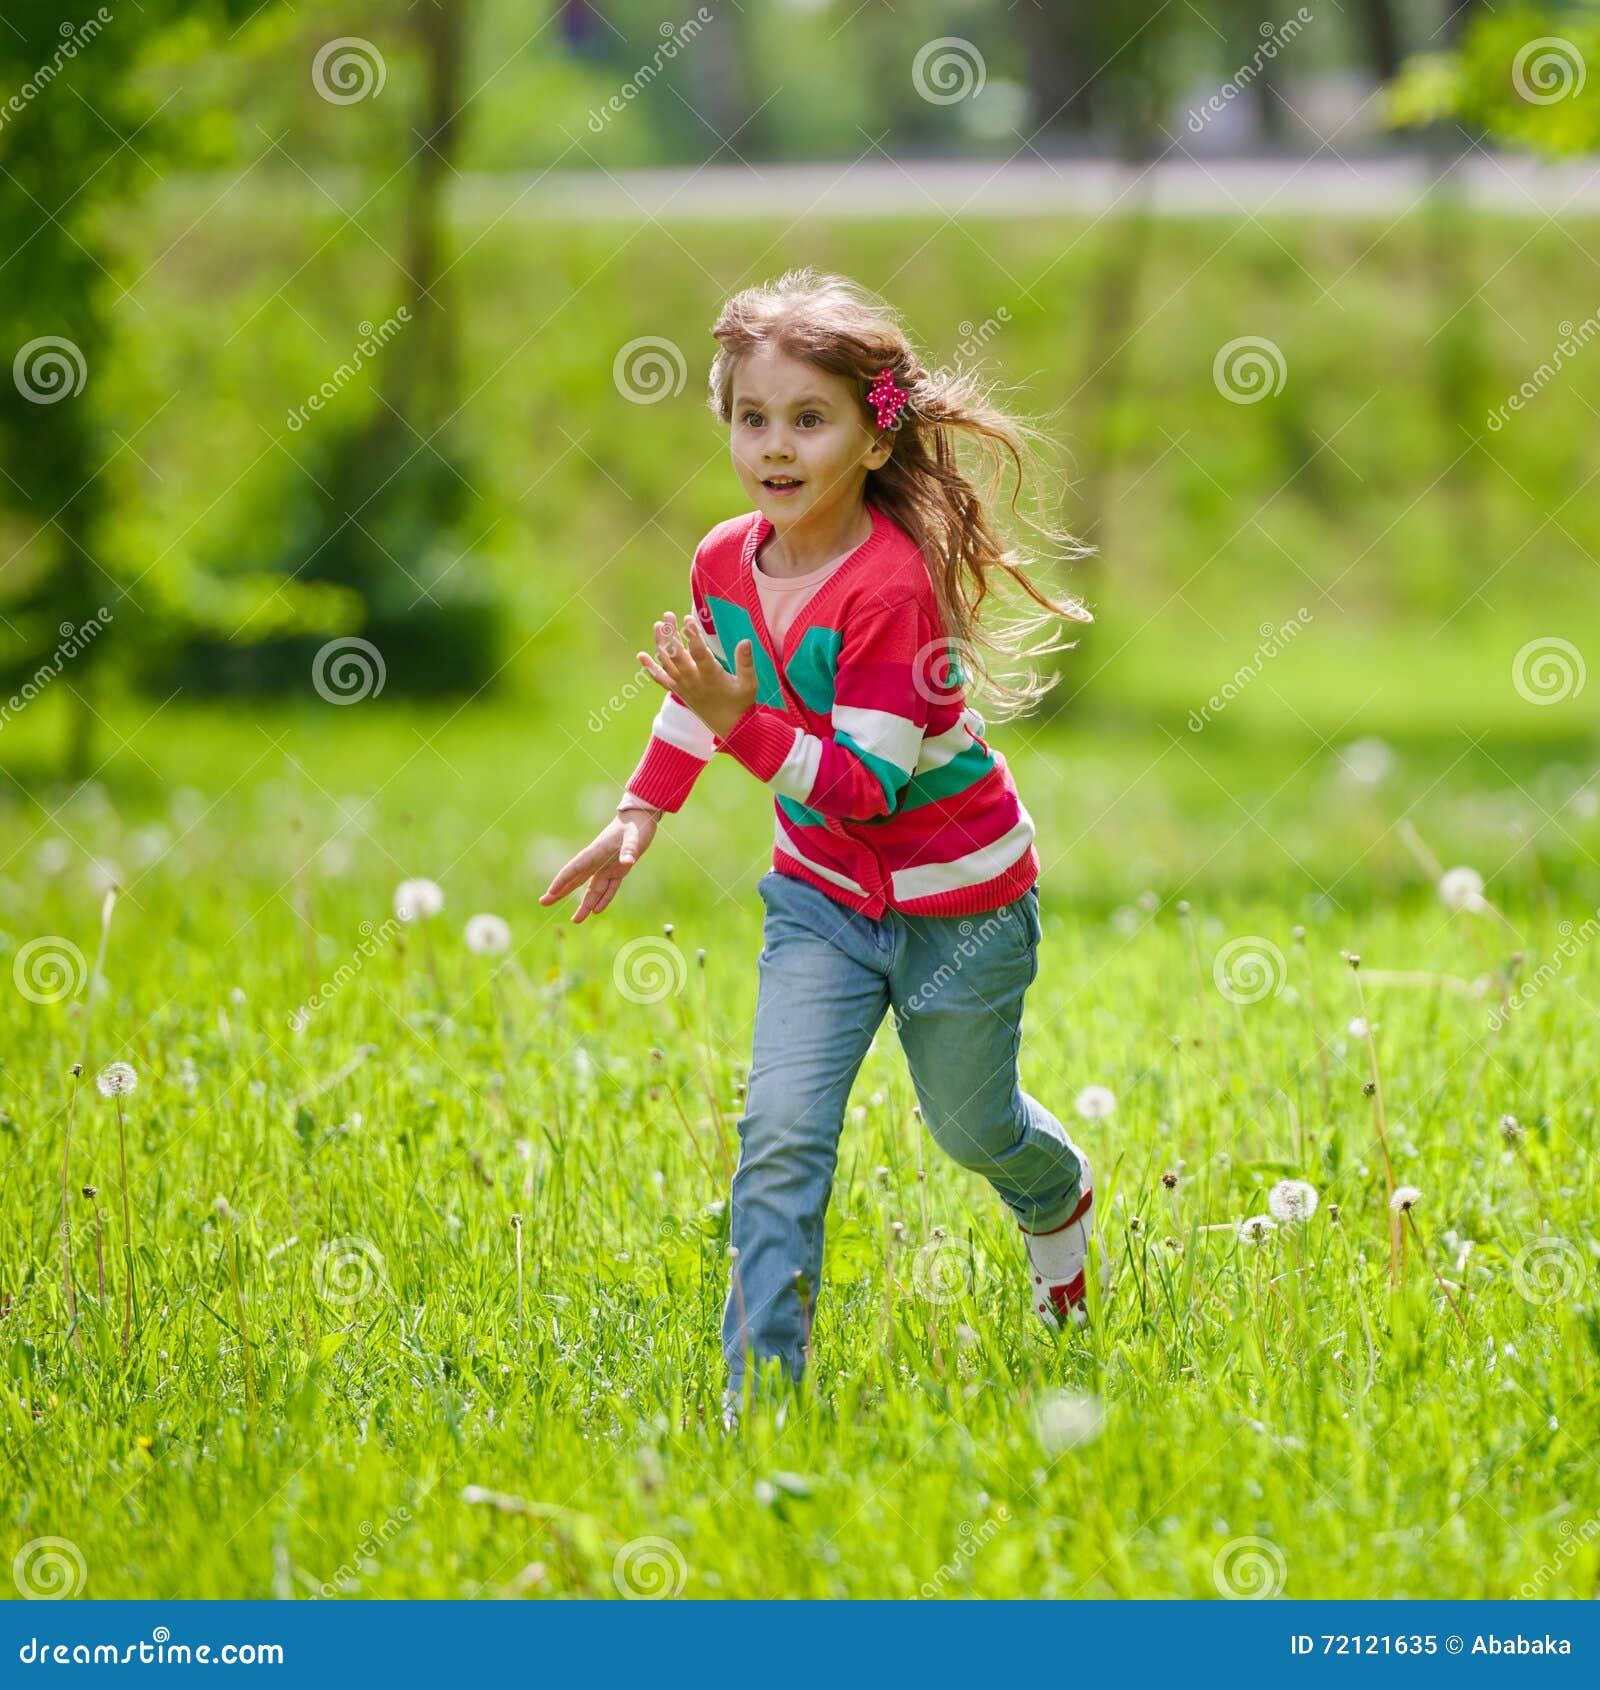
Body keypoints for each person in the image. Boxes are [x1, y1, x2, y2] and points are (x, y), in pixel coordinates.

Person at [540, 268, 1100, 1420]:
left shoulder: (891, 589)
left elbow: (860, 781)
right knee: (782, 1136)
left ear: (872, 441)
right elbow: (704, 692)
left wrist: (738, 719)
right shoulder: (720, 560)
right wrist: (639, 811)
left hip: (962, 907)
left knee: (972, 1127)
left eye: (809, 419)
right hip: (822, 904)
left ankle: (1060, 1199)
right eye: (752, 418)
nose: (774, 447)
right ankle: (765, 1408)